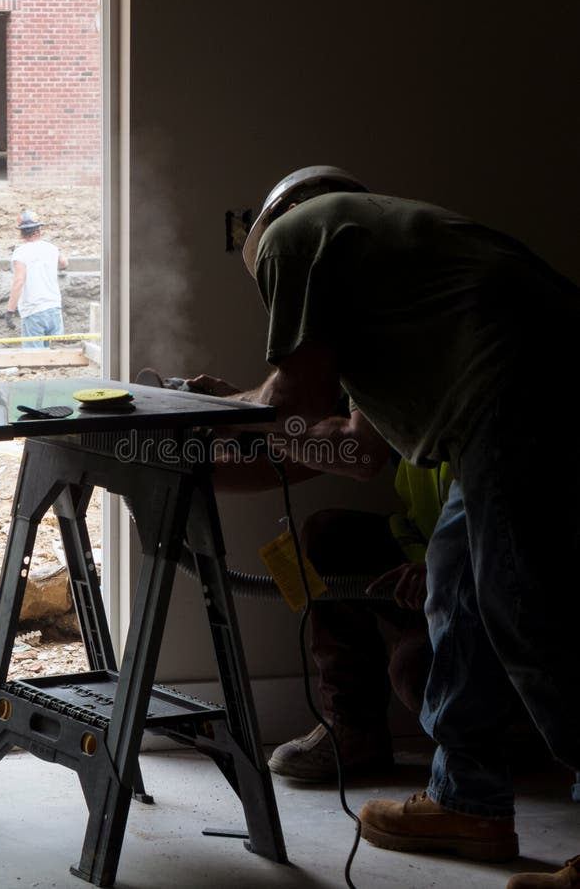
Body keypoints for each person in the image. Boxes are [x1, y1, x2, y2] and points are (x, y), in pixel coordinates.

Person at [188, 166, 580, 886]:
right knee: (458, 599)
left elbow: (291, 395)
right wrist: (235, 420)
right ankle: (468, 803)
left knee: (528, 619)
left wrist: (223, 410)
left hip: (527, 399)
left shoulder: (293, 235)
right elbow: (356, 451)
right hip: (496, 415)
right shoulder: (393, 287)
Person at [266, 456, 448, 782]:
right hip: (424, 557)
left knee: (419, 673)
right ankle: (355, 732)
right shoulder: (405, 416)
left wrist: (446, 565)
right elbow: (351, 449)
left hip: (481, 580)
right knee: (329, 535)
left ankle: (502, 731)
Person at [6, 210, 68, 348]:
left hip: (33, 311)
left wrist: (10, 311)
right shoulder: (51, 248)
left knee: (34, 359)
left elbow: (19, 281)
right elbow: (64, 263)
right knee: (57, 357)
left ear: (21, 233)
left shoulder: (20, 253)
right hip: (54, 309)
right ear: (39, 231)